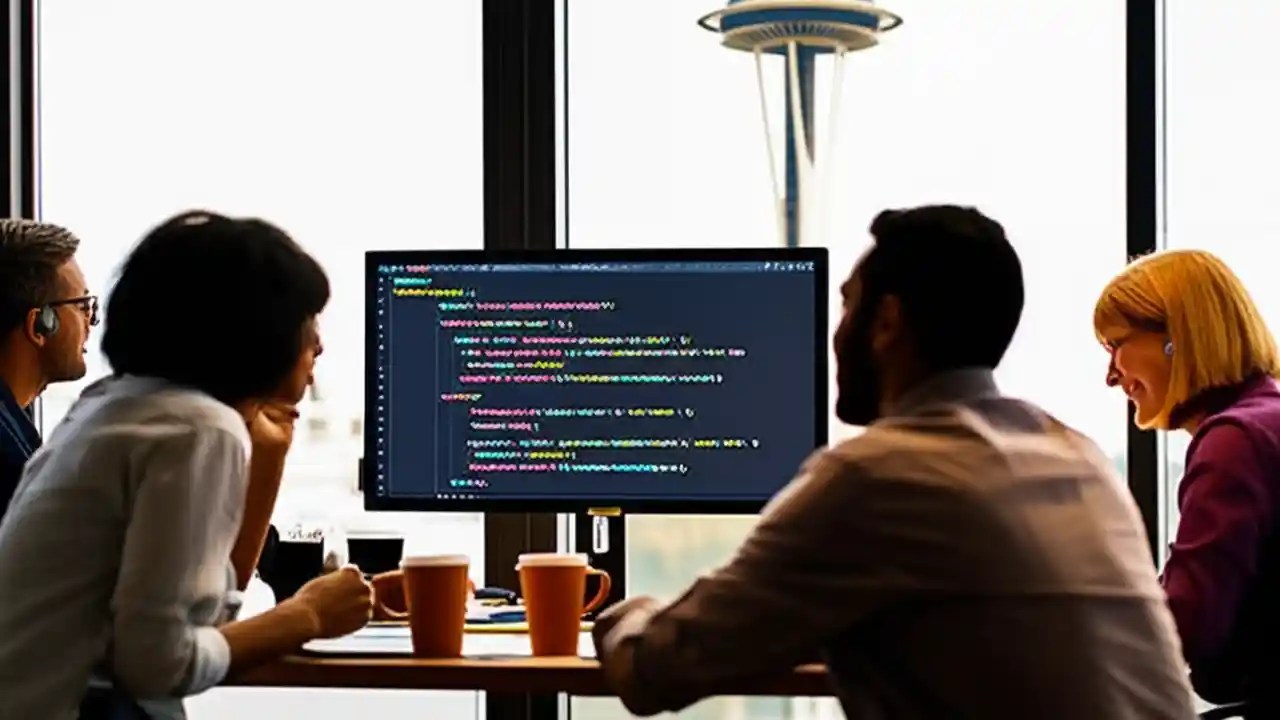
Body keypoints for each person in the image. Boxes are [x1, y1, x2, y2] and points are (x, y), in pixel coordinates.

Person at [591, 205, 1196, 718]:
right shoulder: (1078, 459)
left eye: (847, 307)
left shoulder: (876, 475)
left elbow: (655, 669)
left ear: (885, 323)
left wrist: (627, 613)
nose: (836, 335)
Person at [0, 211, 373, 720]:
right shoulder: (196, 428)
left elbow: (199, 619)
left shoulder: (111, 405)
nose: (319, 345)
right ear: (251, 330)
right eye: (305, 320)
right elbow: (156, 665)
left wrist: (267, 457)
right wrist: (307, 615)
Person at [1096, 248, 1280, 710]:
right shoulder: (1268, 421)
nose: (1111, 376)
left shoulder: (1235, 441)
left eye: (1115, 345)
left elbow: (1186, 625)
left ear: (1176, 338)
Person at [0, 219, 94, 512]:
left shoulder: (14, 421)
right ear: (40, 325)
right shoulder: (9, 463)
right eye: (82, 306)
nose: (91, 322)